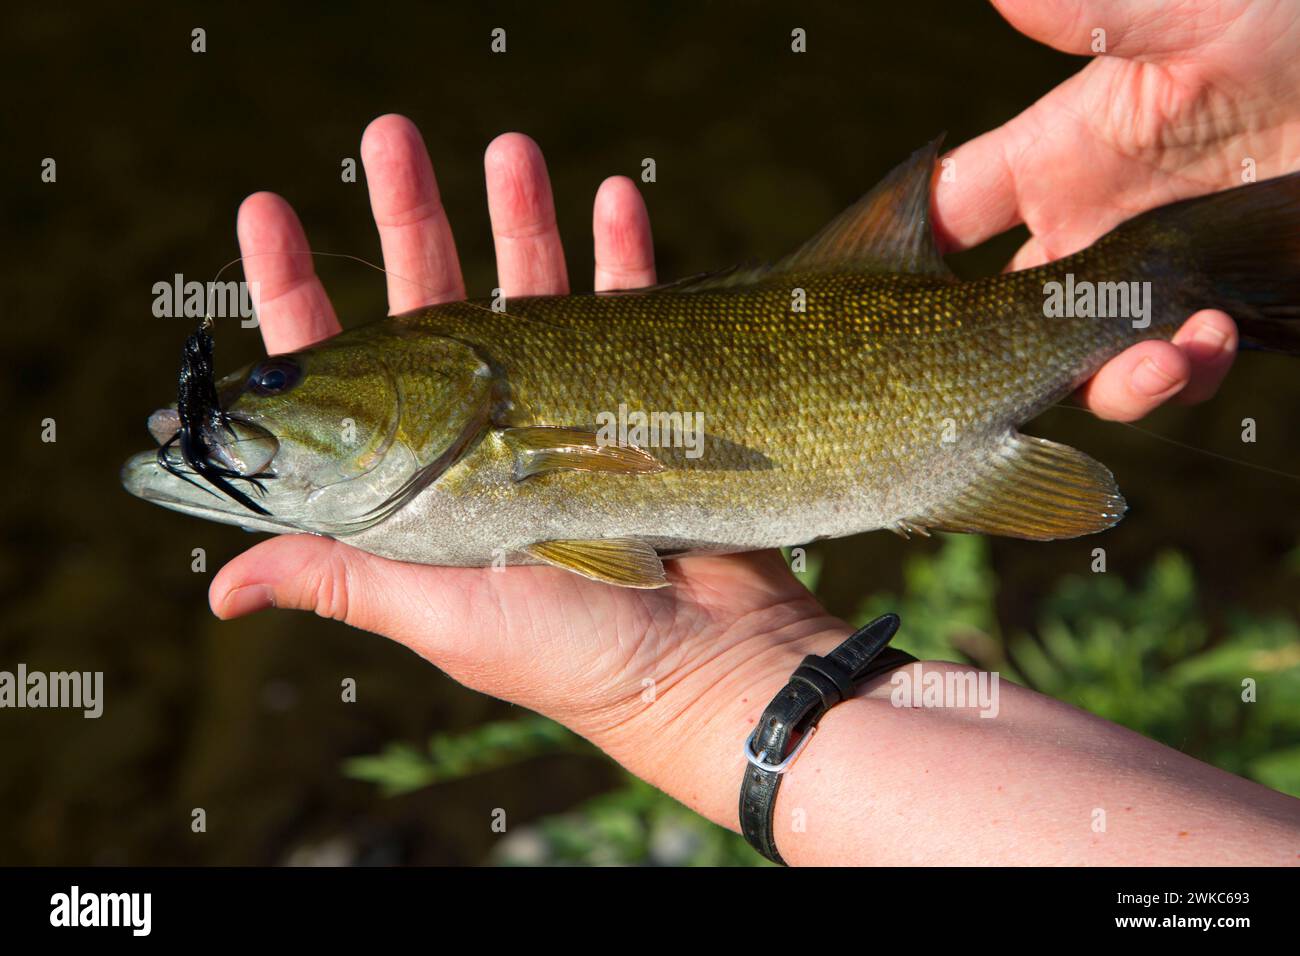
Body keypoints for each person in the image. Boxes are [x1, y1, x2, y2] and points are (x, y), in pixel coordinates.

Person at [210, 0, 1300, 864]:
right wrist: (692, 683)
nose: (244, 411)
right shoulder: (451, 445)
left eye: (273, 382)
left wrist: (696, 701)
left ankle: (1190, 264)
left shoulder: (468, 436)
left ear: (426, 382)